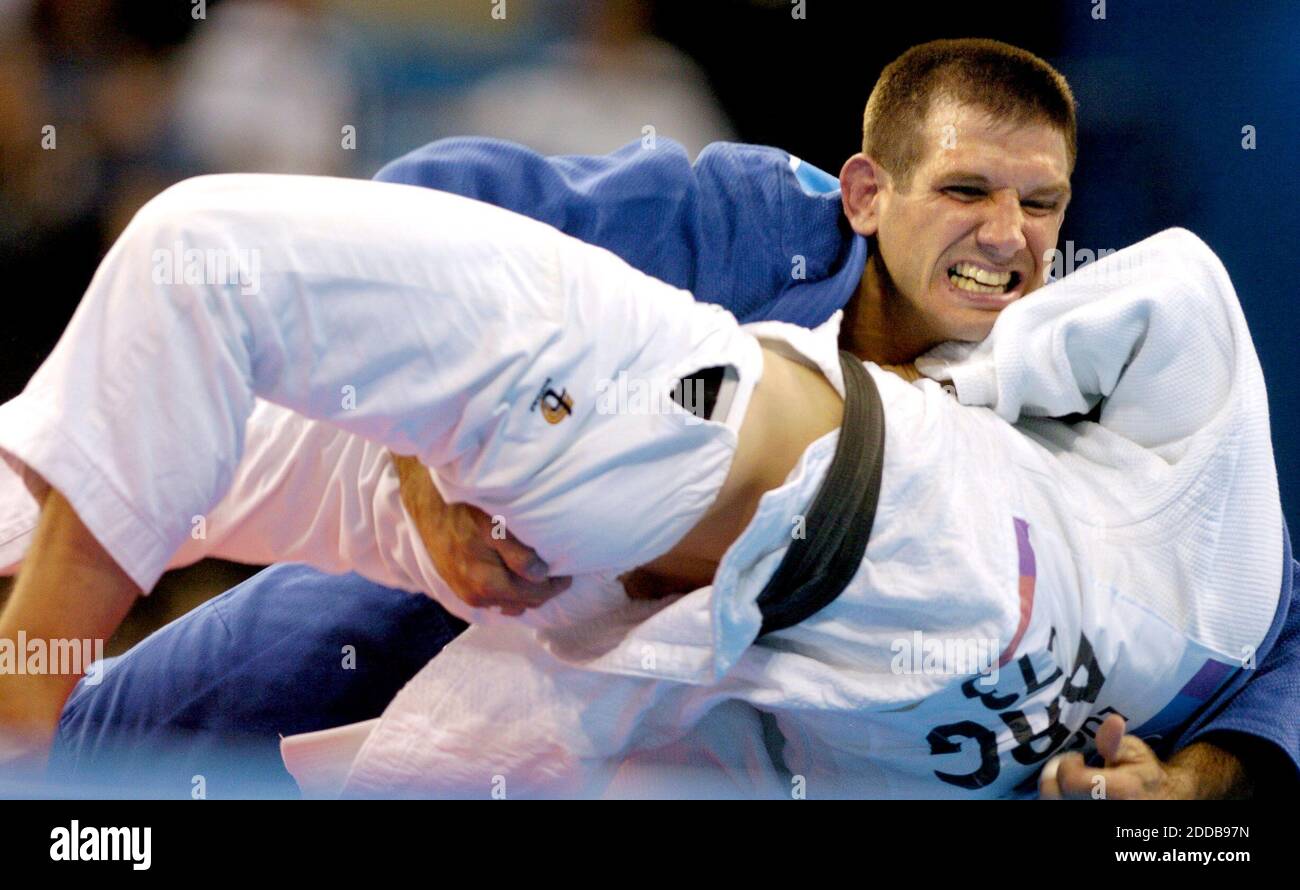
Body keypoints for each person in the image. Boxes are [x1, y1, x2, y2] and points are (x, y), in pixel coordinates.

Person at [3, 38, 1295, 797]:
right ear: (863, 194)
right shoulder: (753, 224)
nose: (1006, 240)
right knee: (95, 716)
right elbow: (443, 213)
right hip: (425, 579)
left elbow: (1267, 614)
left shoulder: (1056, 411)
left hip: (598, 714)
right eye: (967, 191)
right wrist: (422, 472)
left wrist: (1199, 785)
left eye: (1042, 207)